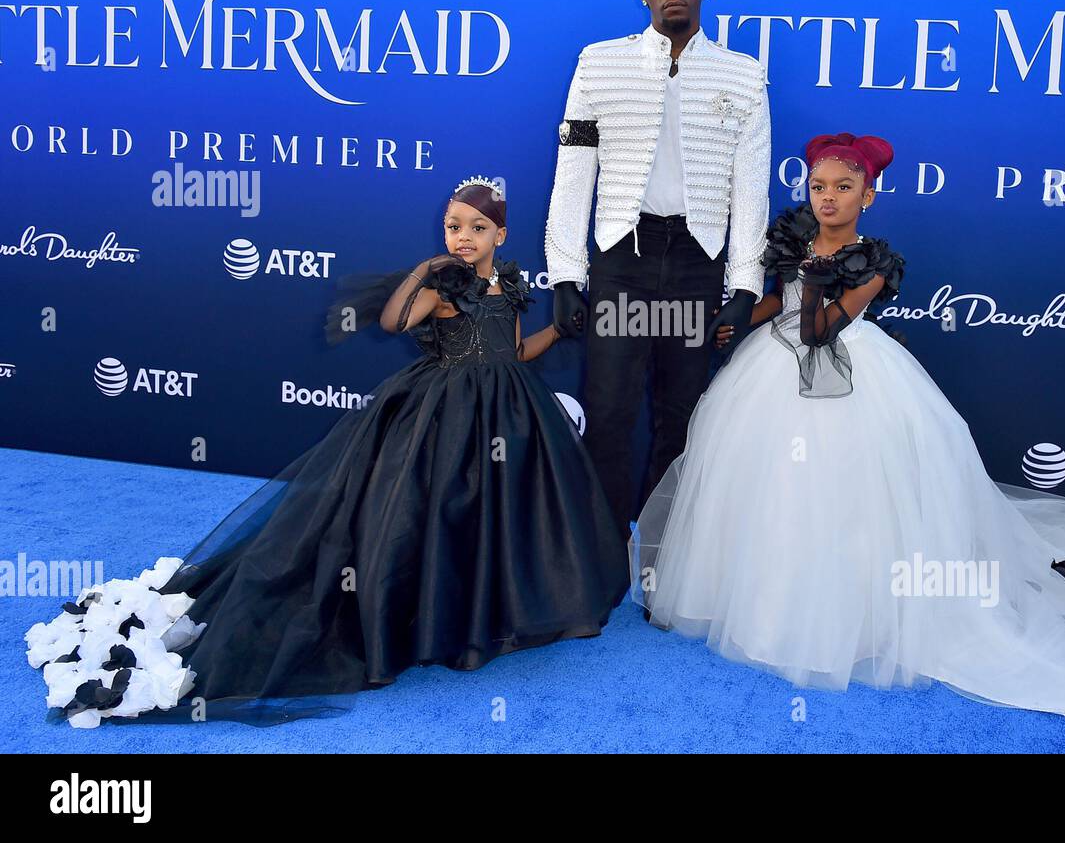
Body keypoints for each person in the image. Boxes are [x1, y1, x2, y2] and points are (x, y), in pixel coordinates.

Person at [629, 133, 1065, 743]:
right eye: (818, 186)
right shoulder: (793, 238)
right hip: (772, 371)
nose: (828, 198)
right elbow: (783, 301)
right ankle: (764, 604)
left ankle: (849, 615)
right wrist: (744, 317)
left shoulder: (873, 264)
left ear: (869, 195)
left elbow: (822, 331)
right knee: (774, 488)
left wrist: (817, 286)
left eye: (844, 187)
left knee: (846, 494)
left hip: (846, 374)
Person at [25, 177, 630, 728]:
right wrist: (427, 269)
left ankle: (491, 609)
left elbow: (514, 352)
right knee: (432, 506)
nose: (463, 237)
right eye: (453, 226)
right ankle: (422, 616)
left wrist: (559, 332)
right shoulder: (444, 287)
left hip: (510, 409)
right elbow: (394, 322)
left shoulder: (512, 285)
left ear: (501, 235)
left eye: (477, 227)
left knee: (499, 511)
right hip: (443, 411)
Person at [543, 0, 771, 539]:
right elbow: (574, 175)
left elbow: (751, 190)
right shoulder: (598, 64)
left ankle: (662, 556)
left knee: (682, 418)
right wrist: (565, 275)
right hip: (623, 262)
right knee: (608, 413)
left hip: (698, 264)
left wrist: (746, 287)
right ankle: (598, 553)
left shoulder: (744, 76)